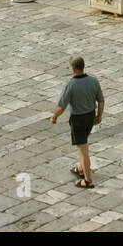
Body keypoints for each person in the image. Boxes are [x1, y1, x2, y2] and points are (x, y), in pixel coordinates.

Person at [50, 55, 104, 189]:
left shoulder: (71, 85)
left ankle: (87, 180)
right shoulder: (93, 81)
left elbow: (62, 106)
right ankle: (80, 168)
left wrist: (54, 117)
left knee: (83, 150)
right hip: (90, 116)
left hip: (78, 119)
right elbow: (101, 100)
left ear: (73, 69)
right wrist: (99, 115)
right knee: (83, 143)